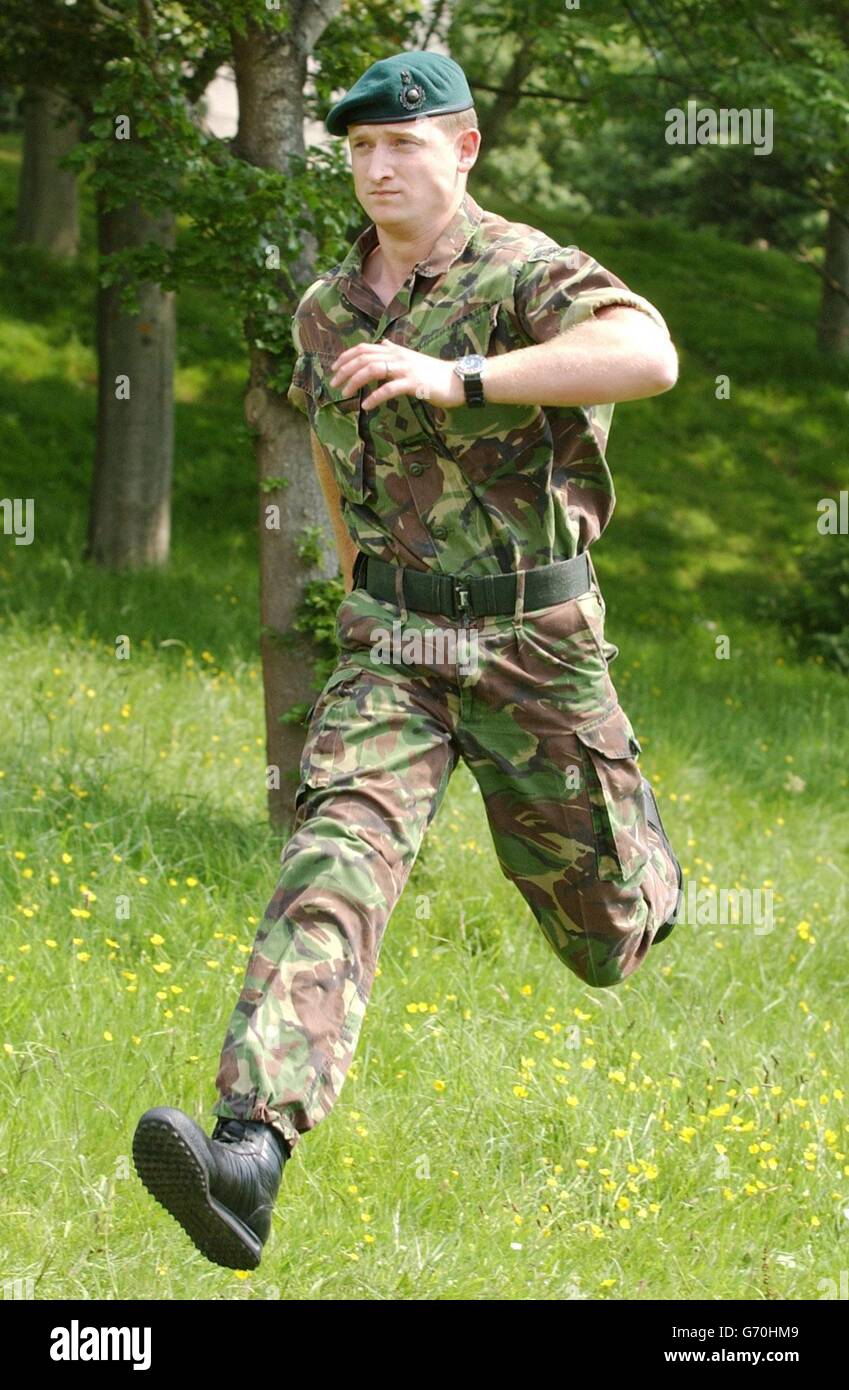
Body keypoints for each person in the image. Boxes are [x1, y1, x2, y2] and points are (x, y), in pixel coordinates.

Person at [133, 49, 684, 1271]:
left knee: (604, 938)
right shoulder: (326, 308)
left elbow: (648, 353)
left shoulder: (522, 270)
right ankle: (248, 1151)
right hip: (394, 640)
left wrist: (460, 374)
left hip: (532, 642)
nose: (381, 167)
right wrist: (360, 580)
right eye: (363, 148)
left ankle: (645, 871)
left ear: (465, 148)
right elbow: (338, 459)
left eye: (407, 143)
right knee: (336, 854)